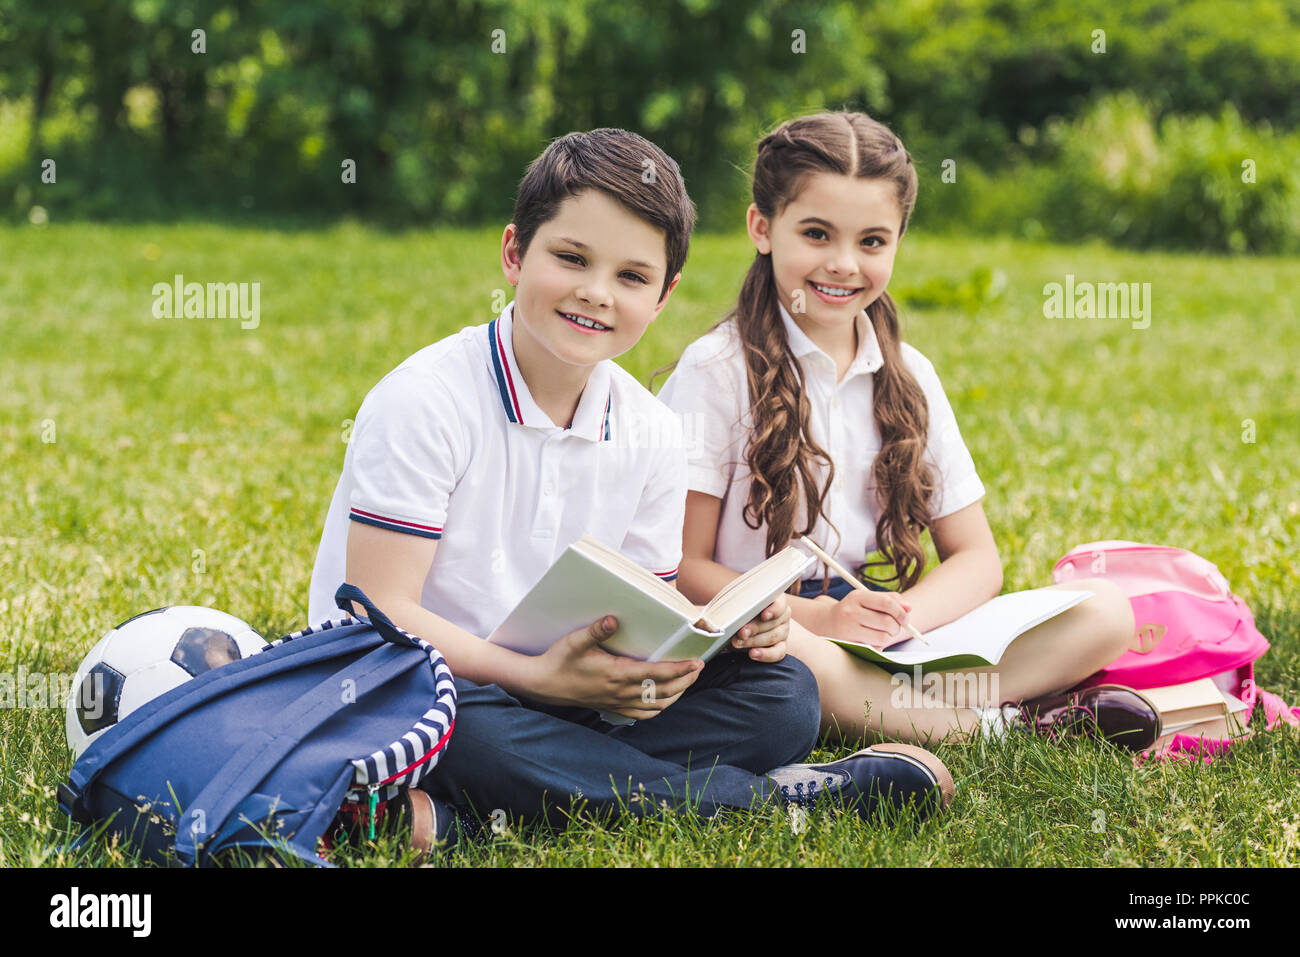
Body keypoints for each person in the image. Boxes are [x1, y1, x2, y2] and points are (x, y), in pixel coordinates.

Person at [306, 128, 955, 851]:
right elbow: (381, 609)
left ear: (664, 294)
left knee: (785, 698)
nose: (595, 293)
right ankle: (763, 800)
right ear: (515, 252)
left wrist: (736, 629)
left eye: (631, 277)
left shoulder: (648, 427)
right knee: (473, 734)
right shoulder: (426, 399)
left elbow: (648, 607)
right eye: (571, 258)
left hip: (572, 693)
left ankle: (466, 815)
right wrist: (537, 677)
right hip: (422, 686)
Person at [658, 112, 1159, 750]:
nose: (843, 264)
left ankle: (900, 706)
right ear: (762, 228)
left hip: (886, 638)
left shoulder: (909, 375)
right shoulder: (718, 370)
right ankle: (1002, 732)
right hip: (766, 634)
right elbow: (682, 567)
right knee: (803, 664)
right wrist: (825, 619)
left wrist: (899, 619)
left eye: (872, 241)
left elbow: (977, 559)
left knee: (1104, 611)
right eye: (816, 234)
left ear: (897, 241)